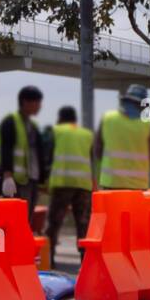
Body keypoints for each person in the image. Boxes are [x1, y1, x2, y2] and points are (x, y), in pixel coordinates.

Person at [45, 105, 94, 268]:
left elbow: (48, 155)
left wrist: (44, 182)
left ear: (60, 118)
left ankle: (49, 259)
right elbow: (93, 160)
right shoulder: (87, 135)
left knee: (54, 222)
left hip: (63, 182)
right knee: (83, 224)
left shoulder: (56, 131)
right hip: (83, 185)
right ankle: (85, 261)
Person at [95, 84, 150, 190]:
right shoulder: (147, 125)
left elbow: (97, 149)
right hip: (138, 185)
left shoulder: (107, 118)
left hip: (111, 183)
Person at [0, 85, 46, 212]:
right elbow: (6, 148)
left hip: (32, 180)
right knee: (17, 216)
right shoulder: (10, 122)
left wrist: (42, 181)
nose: (40, 106)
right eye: (37, 102)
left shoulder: (33, 126)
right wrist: (7, 176)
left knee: (28, 216)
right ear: (25, 102)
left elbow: (38, 155)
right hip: (17, 181)